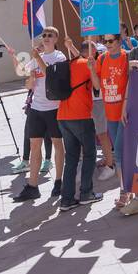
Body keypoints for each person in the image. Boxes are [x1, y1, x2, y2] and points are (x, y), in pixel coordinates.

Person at [12, 28, 67, 203]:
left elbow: (52, 75)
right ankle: (32, 186)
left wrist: (37, 58)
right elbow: (28, 84)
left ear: (56, 38)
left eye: (50, 35)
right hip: (36, 108)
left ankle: (59, 181)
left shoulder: (59, 57)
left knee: (58, 144)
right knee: (35, 145)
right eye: (44, 35)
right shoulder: (37, 58)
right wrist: (29, 77)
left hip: (54, 108)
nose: (46, 38)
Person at [54, 38, 104, 212]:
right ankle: (86, 194)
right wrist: (92, 70)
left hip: (62, 116)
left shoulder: (68, 64)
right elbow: (97, 87)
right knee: (89, 155)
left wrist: (71, 47)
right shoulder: (89, 64)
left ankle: (66, 199)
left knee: (72, 159)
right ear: (92, 52)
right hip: (81, 116)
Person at [98, 35, 132, 209]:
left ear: (119, 42)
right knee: (121, 153)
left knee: (119, 152)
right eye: (105, 41)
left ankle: (124, 191)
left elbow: (132, 81)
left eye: (111, 41)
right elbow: (97, 86)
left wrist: (126, 104)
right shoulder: (102, 58)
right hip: (110, 113)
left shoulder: (127, 57)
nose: (107, 44)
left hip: (126, 113)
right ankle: (128, 189)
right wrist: (90, 69)